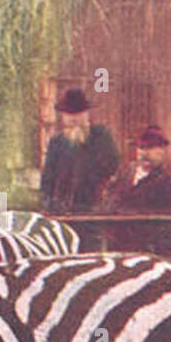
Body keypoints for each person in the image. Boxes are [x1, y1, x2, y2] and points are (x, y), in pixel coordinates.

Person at [39, 86, 119, 250]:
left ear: (86, 114)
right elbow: (47, 179)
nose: (73, 119)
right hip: (62, 214)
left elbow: (111, 166)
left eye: (77, 114)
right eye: (68, 114)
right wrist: (49, 204)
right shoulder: (57, 142)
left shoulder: (100, 136)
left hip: (91, 213)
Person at [105, 125, 171, 259]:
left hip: (148, 257)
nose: (144, 154)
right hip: (117, 254)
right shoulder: (122, 178)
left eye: (151, 148)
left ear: (162, 150)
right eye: (141, 148)